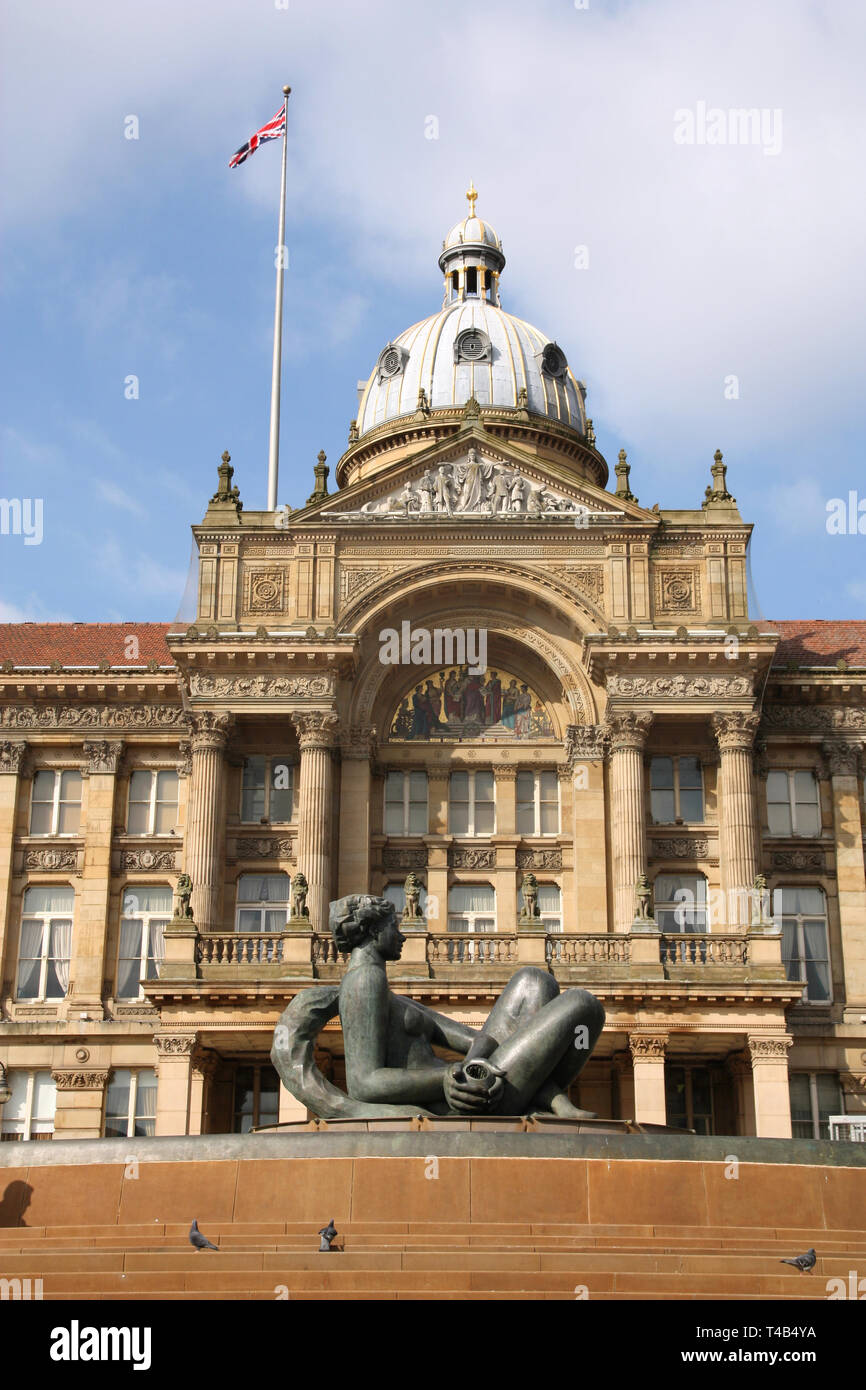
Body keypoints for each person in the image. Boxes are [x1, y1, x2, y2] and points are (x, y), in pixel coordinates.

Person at [333, 895, 603, 1117]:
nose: (402, 937)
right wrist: (447, 1079)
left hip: (472, 1084)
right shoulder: (364, 980)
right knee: (584, 1006)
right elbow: (363, 1083)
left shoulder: (389, 994)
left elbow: (479, 1039)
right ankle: (546, 1099)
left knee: (535, 980)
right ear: (372, 930)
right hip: (457, 1105)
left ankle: (542, 1095)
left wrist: (471, 1071)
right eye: (394, 926)